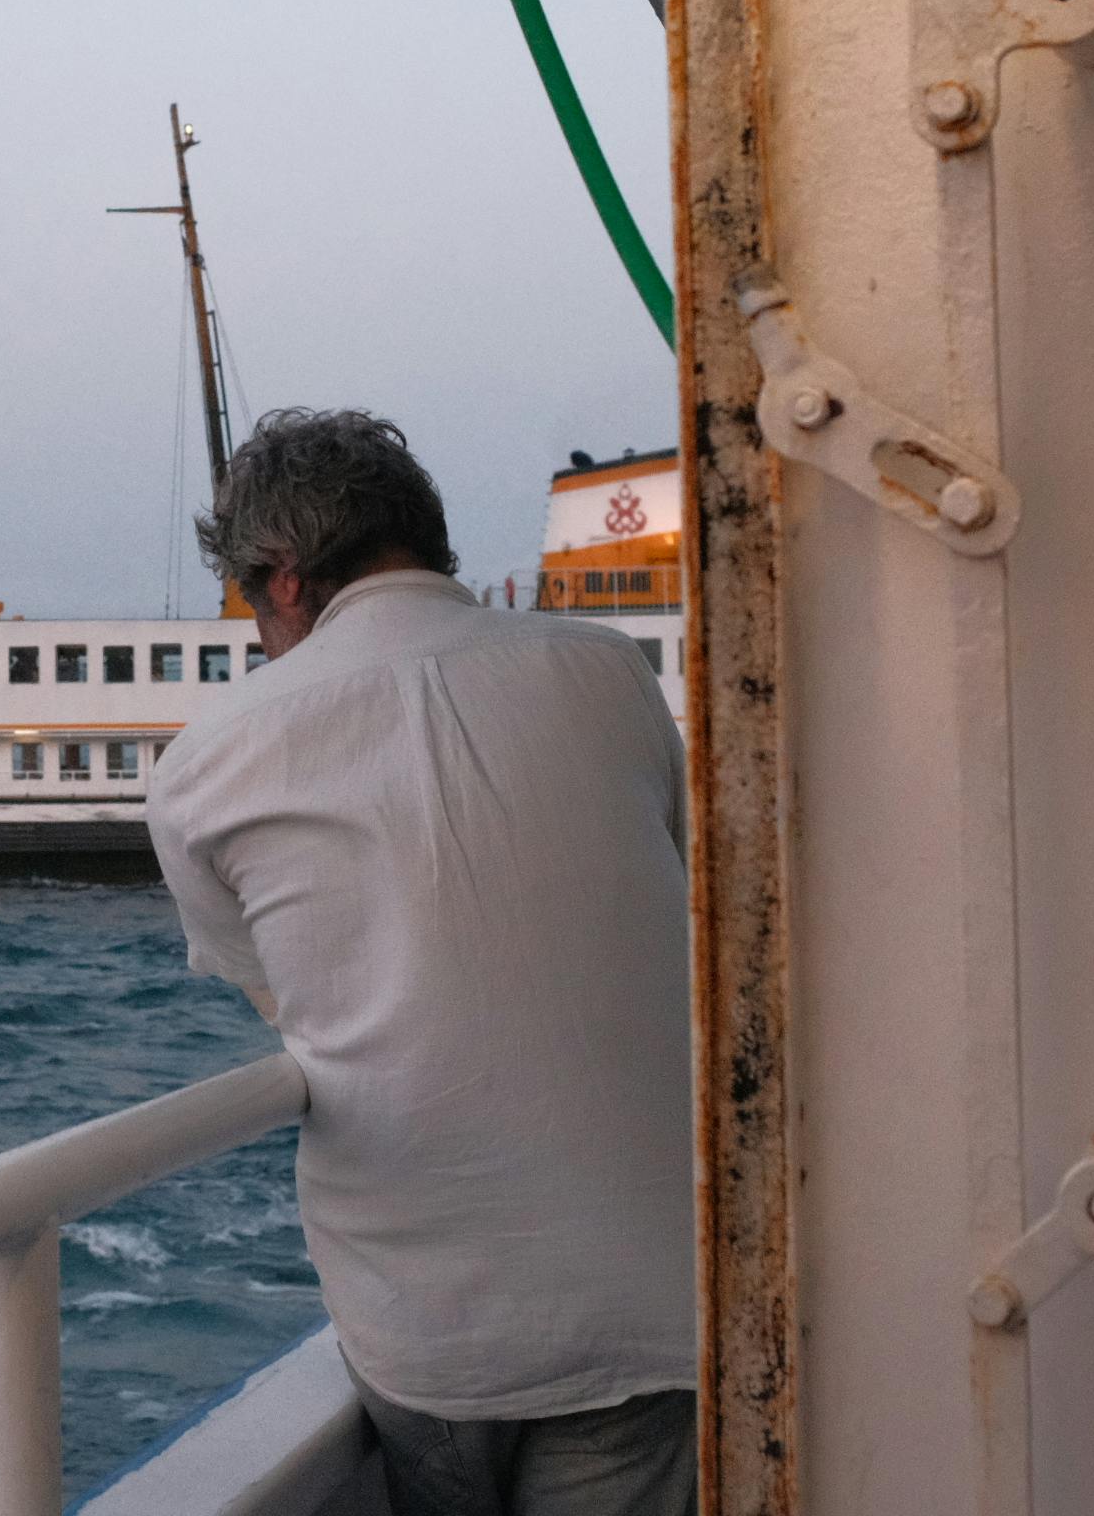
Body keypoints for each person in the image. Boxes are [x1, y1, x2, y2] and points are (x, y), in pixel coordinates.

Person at [145, 408, 696, 1516]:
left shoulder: (202, 763)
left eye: (251, 601)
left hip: (432, 1319)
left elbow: (276, 997)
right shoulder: (613, 672)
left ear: (285, 577)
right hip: (656, 1293)